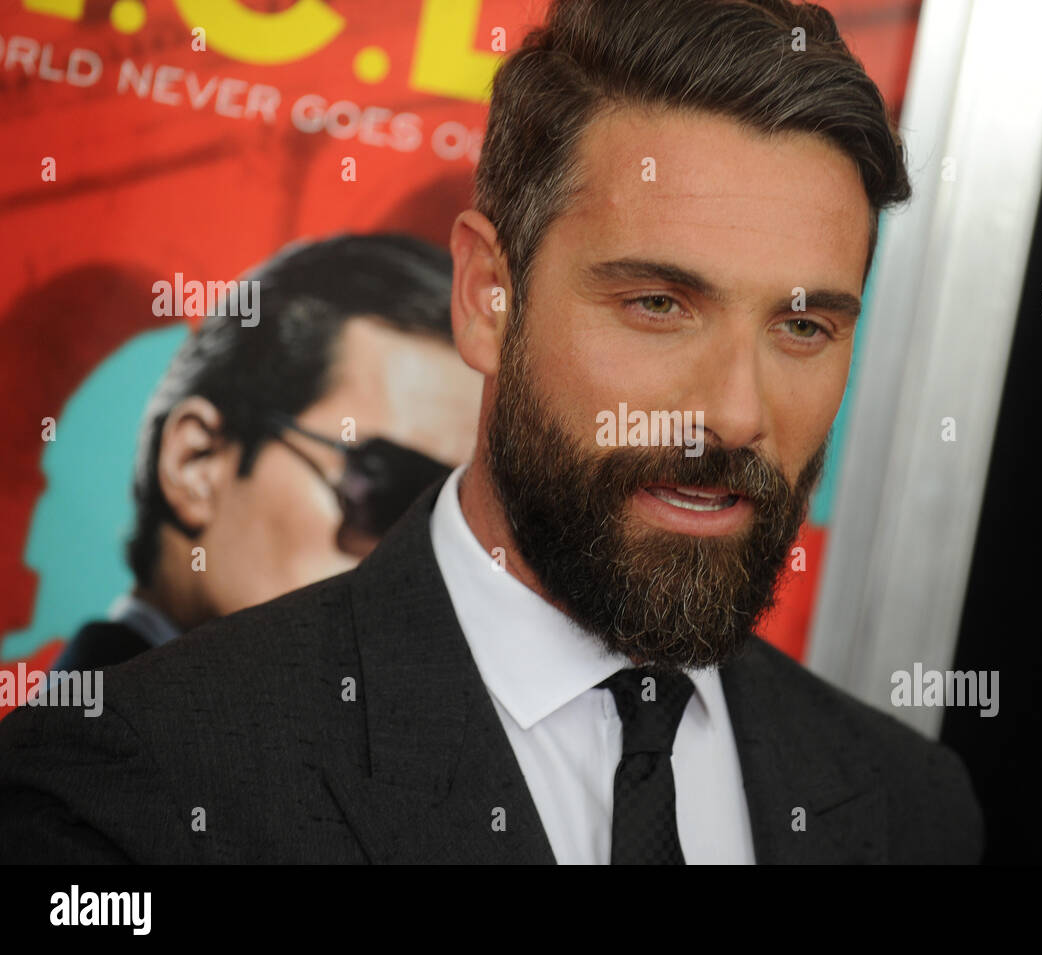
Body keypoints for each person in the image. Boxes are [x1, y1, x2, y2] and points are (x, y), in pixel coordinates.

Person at [0, 0, 982, 864]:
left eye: (803, 326)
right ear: (485, 297)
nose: (735, 412)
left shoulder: (910, 808)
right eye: (656, 304)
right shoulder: (143, 779)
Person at [52, 234, 482, 670]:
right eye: (386, 487)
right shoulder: (82, 731)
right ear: (197, 461)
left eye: (462, 526)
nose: (427, 565)